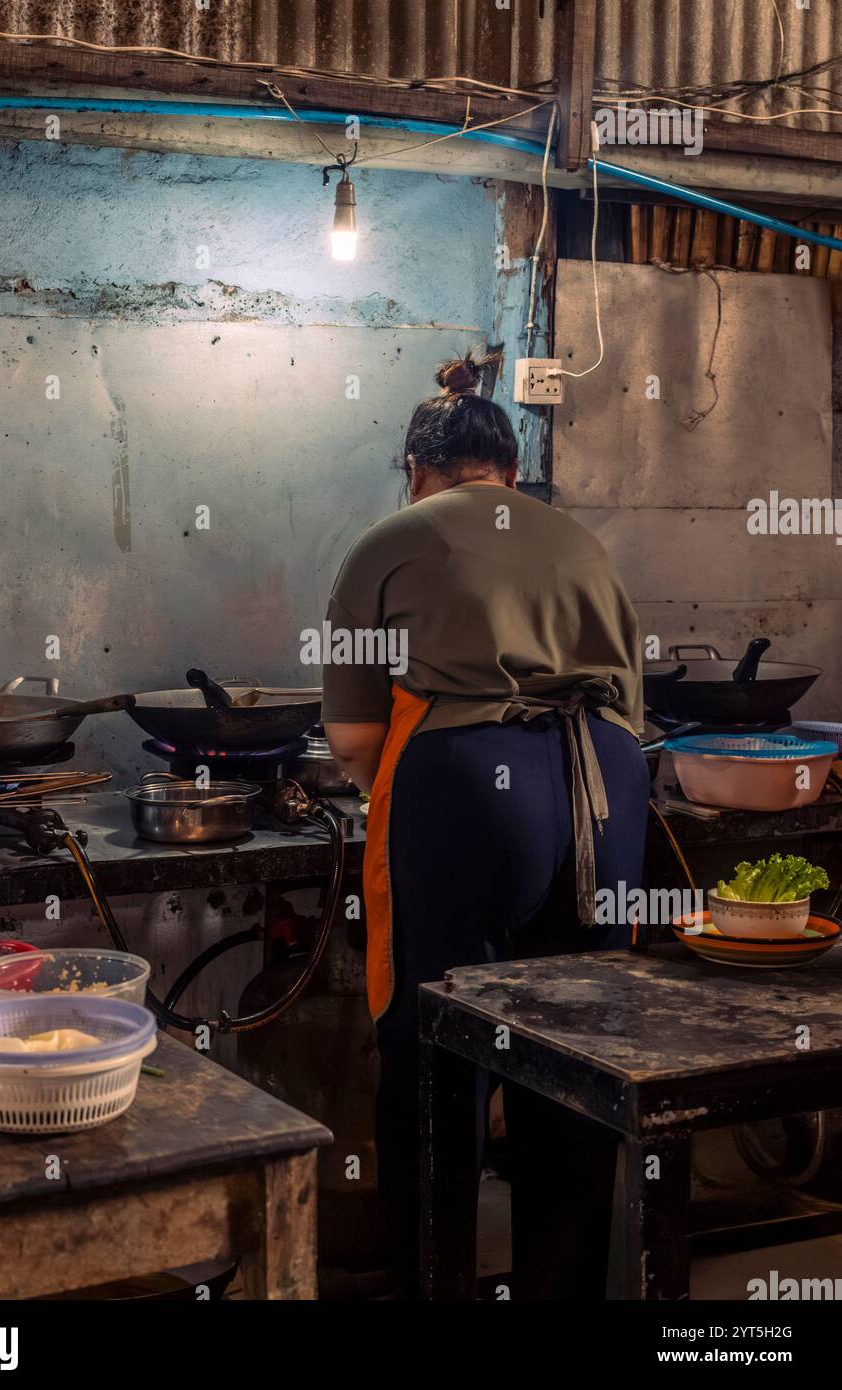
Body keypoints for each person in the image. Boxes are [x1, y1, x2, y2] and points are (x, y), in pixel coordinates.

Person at [320, 350, 649, 1297]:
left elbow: (351, 739)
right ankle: (564, 1286)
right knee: (575, 1047)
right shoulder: (579, 542)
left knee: (433, 1043)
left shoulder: (392, 538)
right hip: (606, 791)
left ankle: (437, 1284)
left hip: (467, 789)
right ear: (508, 471)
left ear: (416, 468)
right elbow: (630, 704)